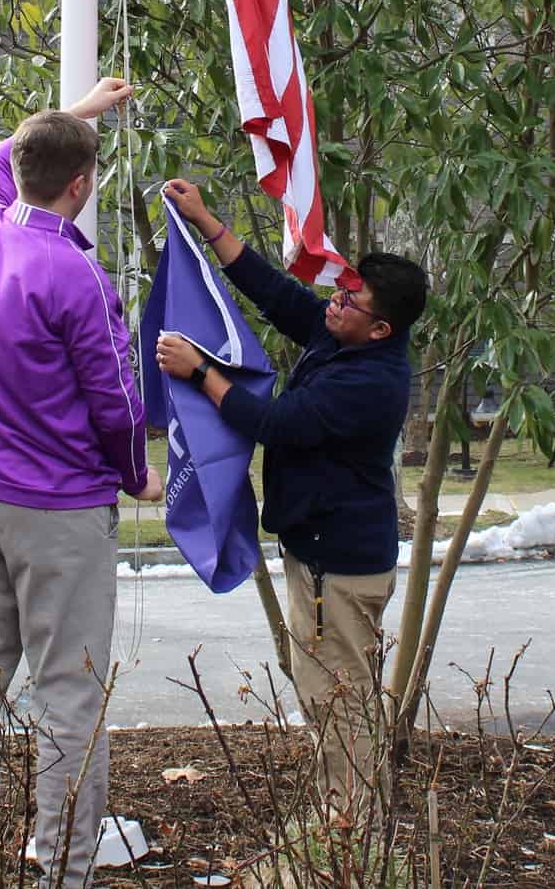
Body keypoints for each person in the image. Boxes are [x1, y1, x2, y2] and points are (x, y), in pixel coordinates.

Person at [0, 78, 163, 889]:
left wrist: (79, 113)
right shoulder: (82, 280)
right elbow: (118, 401)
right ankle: (63, 870)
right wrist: (138, 477)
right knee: (70, 699)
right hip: (55, 513)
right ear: (81, 185)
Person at [152, 178, 428, 820]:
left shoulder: (371, 382)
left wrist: (201, 372)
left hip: (339, 574)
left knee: (338, 697)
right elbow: (280, 298)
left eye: (349, 299)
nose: (334, 302)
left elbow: (276, 424)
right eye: (340, 289)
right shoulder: (347, 337)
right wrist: (207, 222)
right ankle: (347, 818)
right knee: (334, 692)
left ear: (381, 327)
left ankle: (348, 830)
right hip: (323, 556)